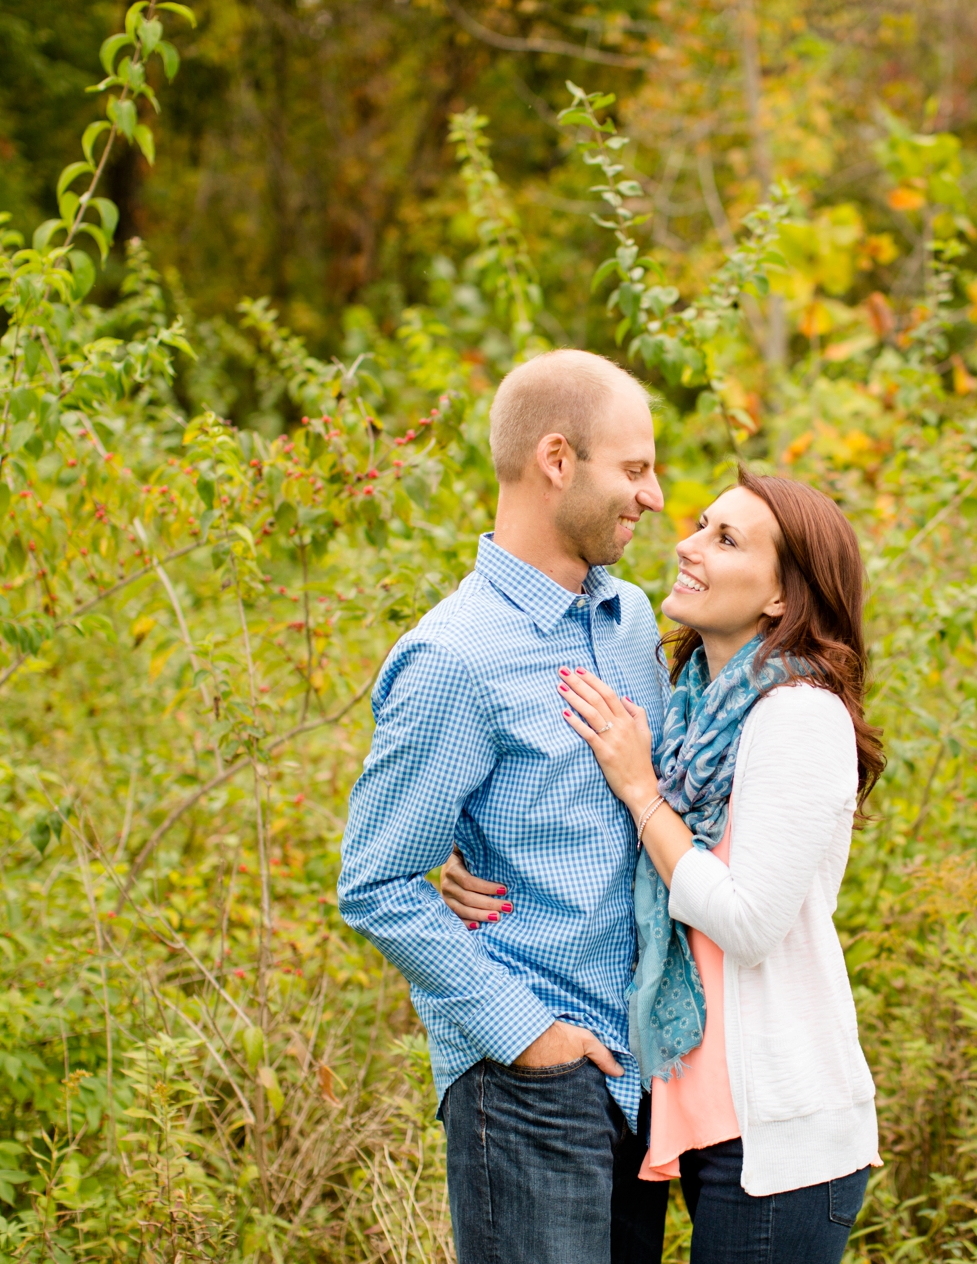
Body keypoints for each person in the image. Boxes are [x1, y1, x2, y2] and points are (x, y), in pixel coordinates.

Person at [443, 469, 886, 1264]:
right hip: (695, 1117)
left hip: (780, 1132)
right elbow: (601, 839)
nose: (687, 545)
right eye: (701, 524)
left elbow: (749, 922)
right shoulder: (685, 705)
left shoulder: (799, 714)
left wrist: (642, 791)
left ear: (780, 597)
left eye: (726, 539)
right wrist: (464, 852)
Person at [337, 348, 673, 1264]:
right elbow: (376, 883)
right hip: (531, 1082)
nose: (652, 497)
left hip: (639, 1076)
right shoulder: (455, 658)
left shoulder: (632, 620)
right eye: (635, 469)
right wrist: (529, 1037)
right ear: (557, 460)